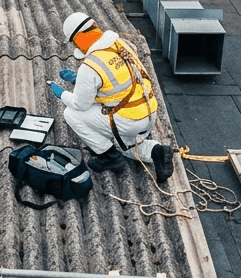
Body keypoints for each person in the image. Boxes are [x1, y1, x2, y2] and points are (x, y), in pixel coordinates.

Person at [49, 12, 174, 183]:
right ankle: (158, 152)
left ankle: (108, 157)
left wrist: (62, 94)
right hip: (148, 113)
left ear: (78, 39)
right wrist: (79, 80)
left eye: (75, 42)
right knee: (123, 146)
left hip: (129, 121)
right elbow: (117, 80)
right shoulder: (121, 44)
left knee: (70, 113)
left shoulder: (90, 65)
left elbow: (80, 104)